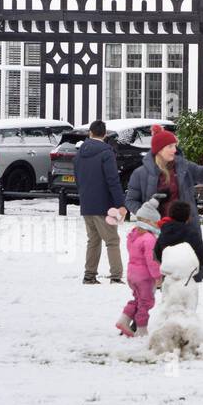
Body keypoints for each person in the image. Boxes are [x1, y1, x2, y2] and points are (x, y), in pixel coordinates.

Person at [124, 126, 203, 228]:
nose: (174, 150)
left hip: (184, 228)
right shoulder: (140, 173)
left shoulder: (185, 167)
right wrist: (145, 213)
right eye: (170, 147)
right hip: (155, 230)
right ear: (159, 150)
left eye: (175, 146)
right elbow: (131, 200)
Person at [75, 120, 127, 284]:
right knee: (112, 240)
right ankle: (116, 276)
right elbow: (113, 180)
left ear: (90, 133)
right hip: (104, 203)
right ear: (105, 134)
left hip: (87, 203)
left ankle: (89, 275)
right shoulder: (106, 152)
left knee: (93, 240)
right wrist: (121, 204)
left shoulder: (80, 152)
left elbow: (78, 178)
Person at [116, 198, 162, 338]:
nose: (157, 225)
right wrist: (158, 277)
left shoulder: (133, 235)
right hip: (145, 277)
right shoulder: (149, 239)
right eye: (155, 222)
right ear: (148, 222)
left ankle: (124, 320)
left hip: (132, 275)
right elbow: (152, 261)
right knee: (145, 302)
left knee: (137, 299)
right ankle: (141, 330)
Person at [154, 200, 203, 282]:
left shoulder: (165, 232)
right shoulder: (192, 233)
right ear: (188, 217)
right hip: (188, 276)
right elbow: (201, 252)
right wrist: (197, 267)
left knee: (169, 293)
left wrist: (164, 263)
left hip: (169, 275)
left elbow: (157, 251)